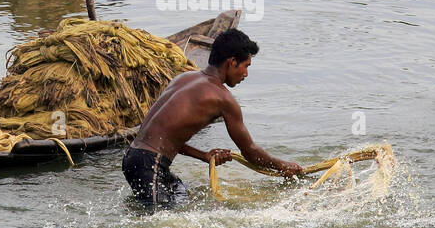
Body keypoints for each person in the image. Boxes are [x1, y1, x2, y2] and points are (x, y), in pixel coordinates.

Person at [122, 28, 303, 207]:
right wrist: (283, 166)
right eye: (246, 66)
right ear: (232, 62)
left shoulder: (184, 78)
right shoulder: (222, 98)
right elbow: (250, 151)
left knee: (182, 196)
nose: (246, 74)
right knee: (157, 224)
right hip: (149, 164)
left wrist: (204, 156)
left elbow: (164, 135)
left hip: (134, 156)